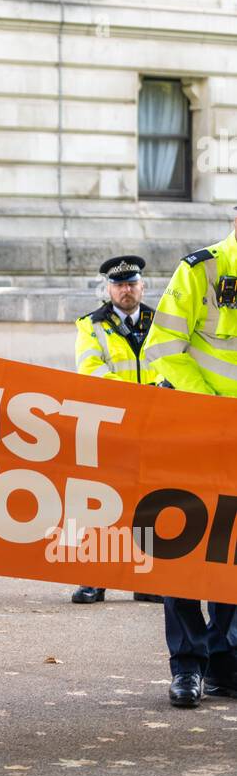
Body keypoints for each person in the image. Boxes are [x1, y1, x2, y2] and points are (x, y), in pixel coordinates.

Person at [143, 218, 237, 708]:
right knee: (180, 548)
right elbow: (162, 348)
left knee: (230, 552)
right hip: (193, 426)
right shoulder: (200, 270)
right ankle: (187, 667)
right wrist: (213, 408)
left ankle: (224, 663)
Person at [70, 255, 161, 606]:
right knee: (103, 502)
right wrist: (132, 397)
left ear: (143, 286)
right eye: (120, 284)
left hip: (154, 423)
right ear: (108, 289)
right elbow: (90, 369)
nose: (126, 290)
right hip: (111, 422)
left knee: (149, 500)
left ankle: (146, 578)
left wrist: (161, 390)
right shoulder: (91, 324)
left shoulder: (160, 321)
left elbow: (170, 360)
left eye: (132, 283)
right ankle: (95, 578)